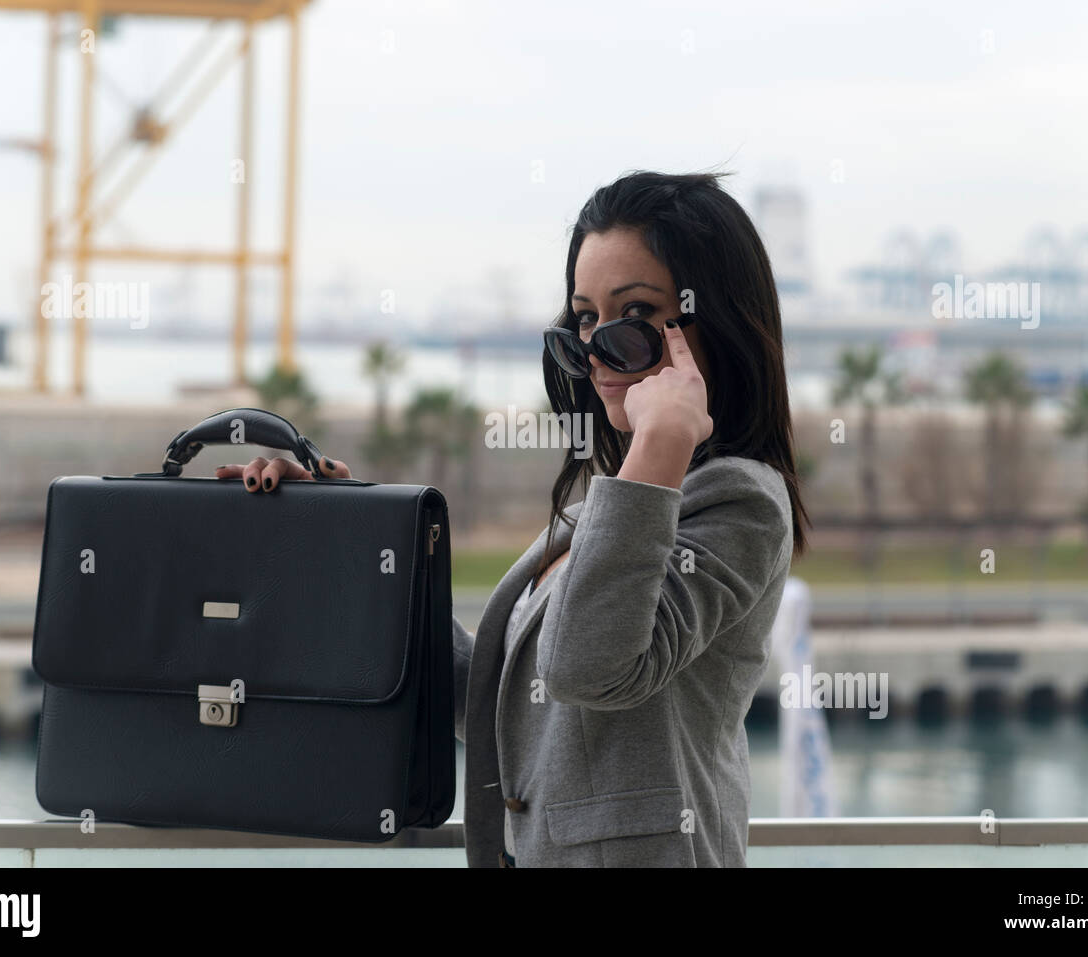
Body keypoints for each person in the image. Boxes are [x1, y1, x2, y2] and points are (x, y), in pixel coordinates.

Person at [217, 169, 809, 867]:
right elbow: (496, 703)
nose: (599, 348)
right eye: (585, 317)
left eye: (637, 312)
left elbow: (587, 668)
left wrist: (661, 440)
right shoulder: (615, 507)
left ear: (718, 321)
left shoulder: (740, 500)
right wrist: (339, 538)